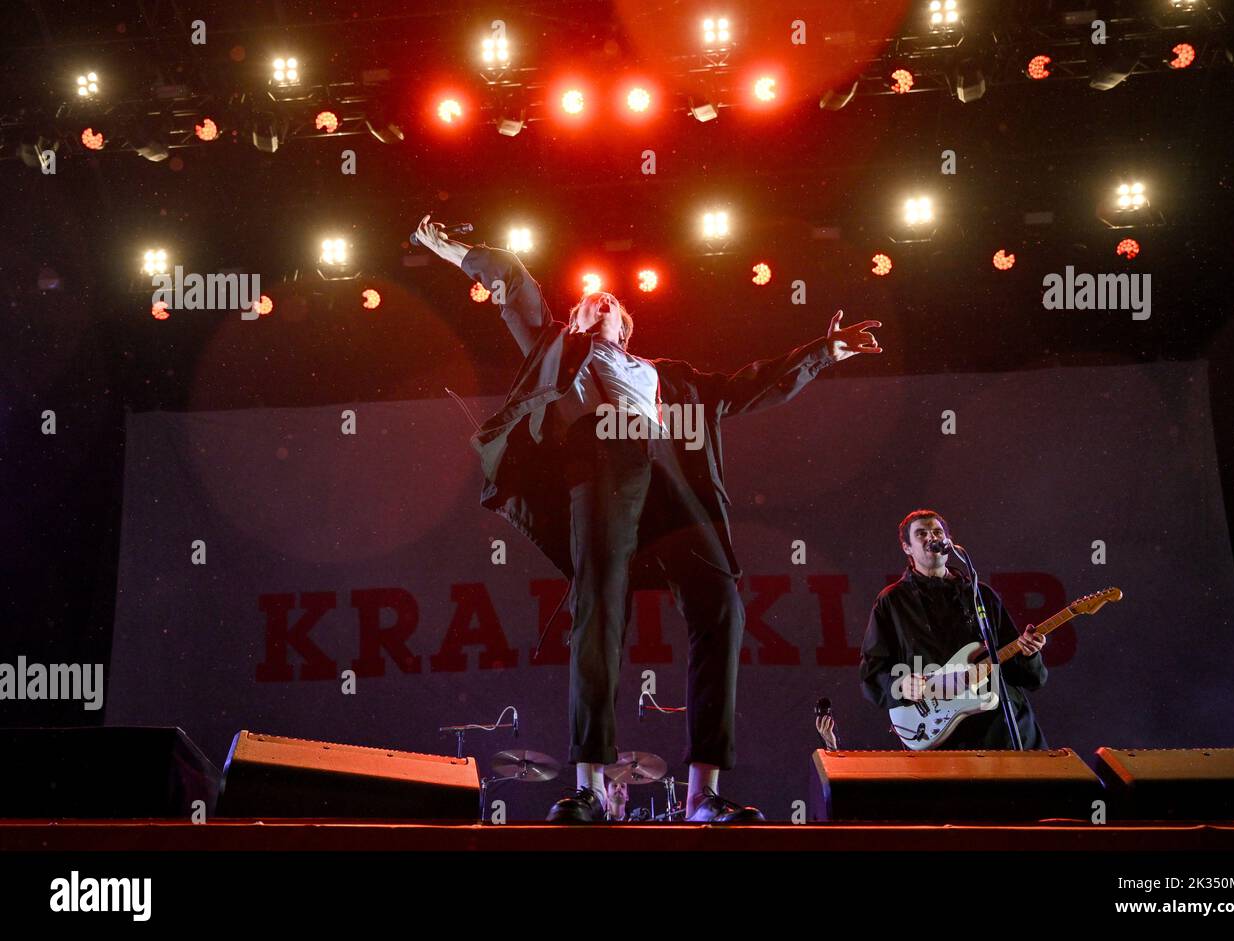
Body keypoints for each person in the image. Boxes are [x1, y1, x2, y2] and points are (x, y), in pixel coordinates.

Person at [414, 217, 883, 821]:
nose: (600, 301)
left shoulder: (672, 379)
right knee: (599, 613)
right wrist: (460, 254)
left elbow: (749, 386)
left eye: (611, 303)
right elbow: (517, 284)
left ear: (627, 328)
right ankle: (589, 787)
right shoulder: (561, 349)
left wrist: (825, 351)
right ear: (576, 321)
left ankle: (702, 795)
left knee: (722, 606)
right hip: (603, 472)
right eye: (588, 302)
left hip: (672, 483)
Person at [859, 509, 1049, 749]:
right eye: (921, 533)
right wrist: (901, 686)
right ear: (907, 548)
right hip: (941, 733)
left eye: (938, 532)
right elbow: (872, 673)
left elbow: (1028, 678)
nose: (932, 537)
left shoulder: (980, 594)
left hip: (1001, 729)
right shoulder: (892, 601)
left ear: (948, 541)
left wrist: (1029, 654)